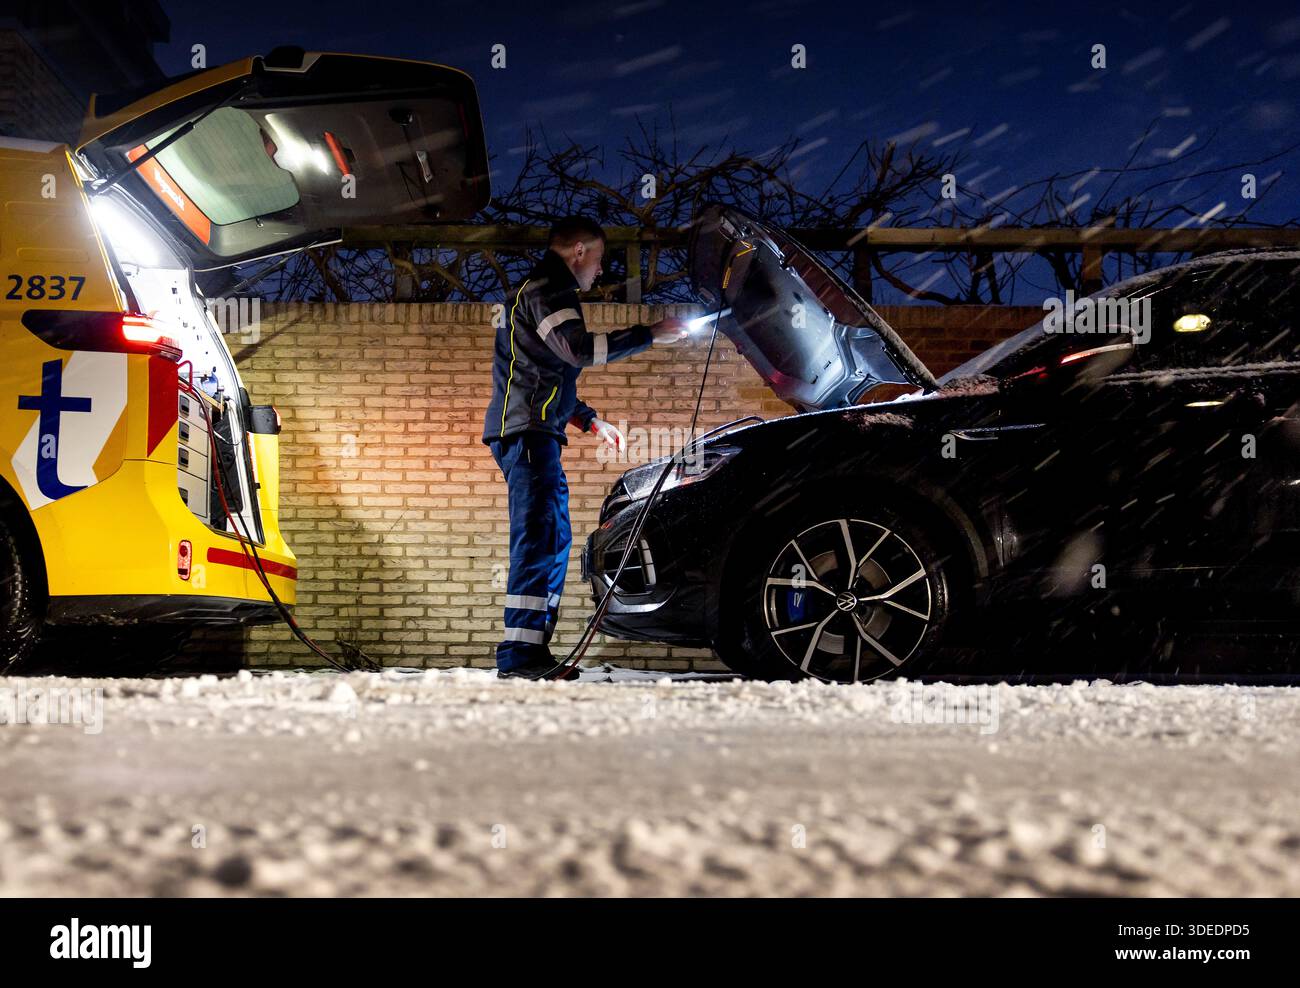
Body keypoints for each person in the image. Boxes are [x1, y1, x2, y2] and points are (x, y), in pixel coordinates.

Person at [482, 217, 687, 679]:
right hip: (528, 434)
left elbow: (548, 371)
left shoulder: (545, 291)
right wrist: (650, 334)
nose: (599, 270)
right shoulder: (548, 290)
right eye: (597, 259)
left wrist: (589, 420)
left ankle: (527, 651)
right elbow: (576, 349)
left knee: (550, 539)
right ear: (578, 250)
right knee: (539, 539)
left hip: (532, 432)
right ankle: (520, 657)